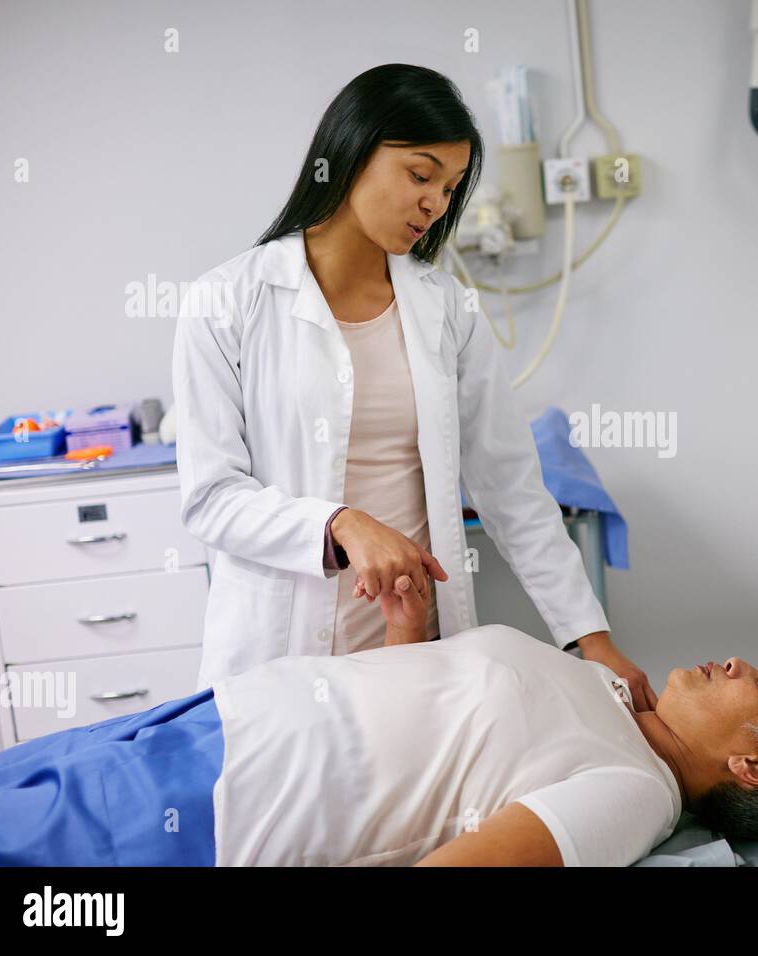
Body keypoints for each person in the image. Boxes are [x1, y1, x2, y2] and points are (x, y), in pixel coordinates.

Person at [171, 63, 654, 706]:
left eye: (451, 187)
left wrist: (587, 636)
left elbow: (509, 485)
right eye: (420, 174)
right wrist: (340, 524)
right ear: (348, 153)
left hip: (415, 651)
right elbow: (211, 498)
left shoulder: (446, 308)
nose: (437, 202)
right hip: (277, 660)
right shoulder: (226, 301)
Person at [0, 574, 758, 866]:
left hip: (215, 809)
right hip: (204, 723)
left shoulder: (630, 797)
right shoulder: (611, 702)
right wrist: (411, 637)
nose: (734, 662)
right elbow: (444, 741)